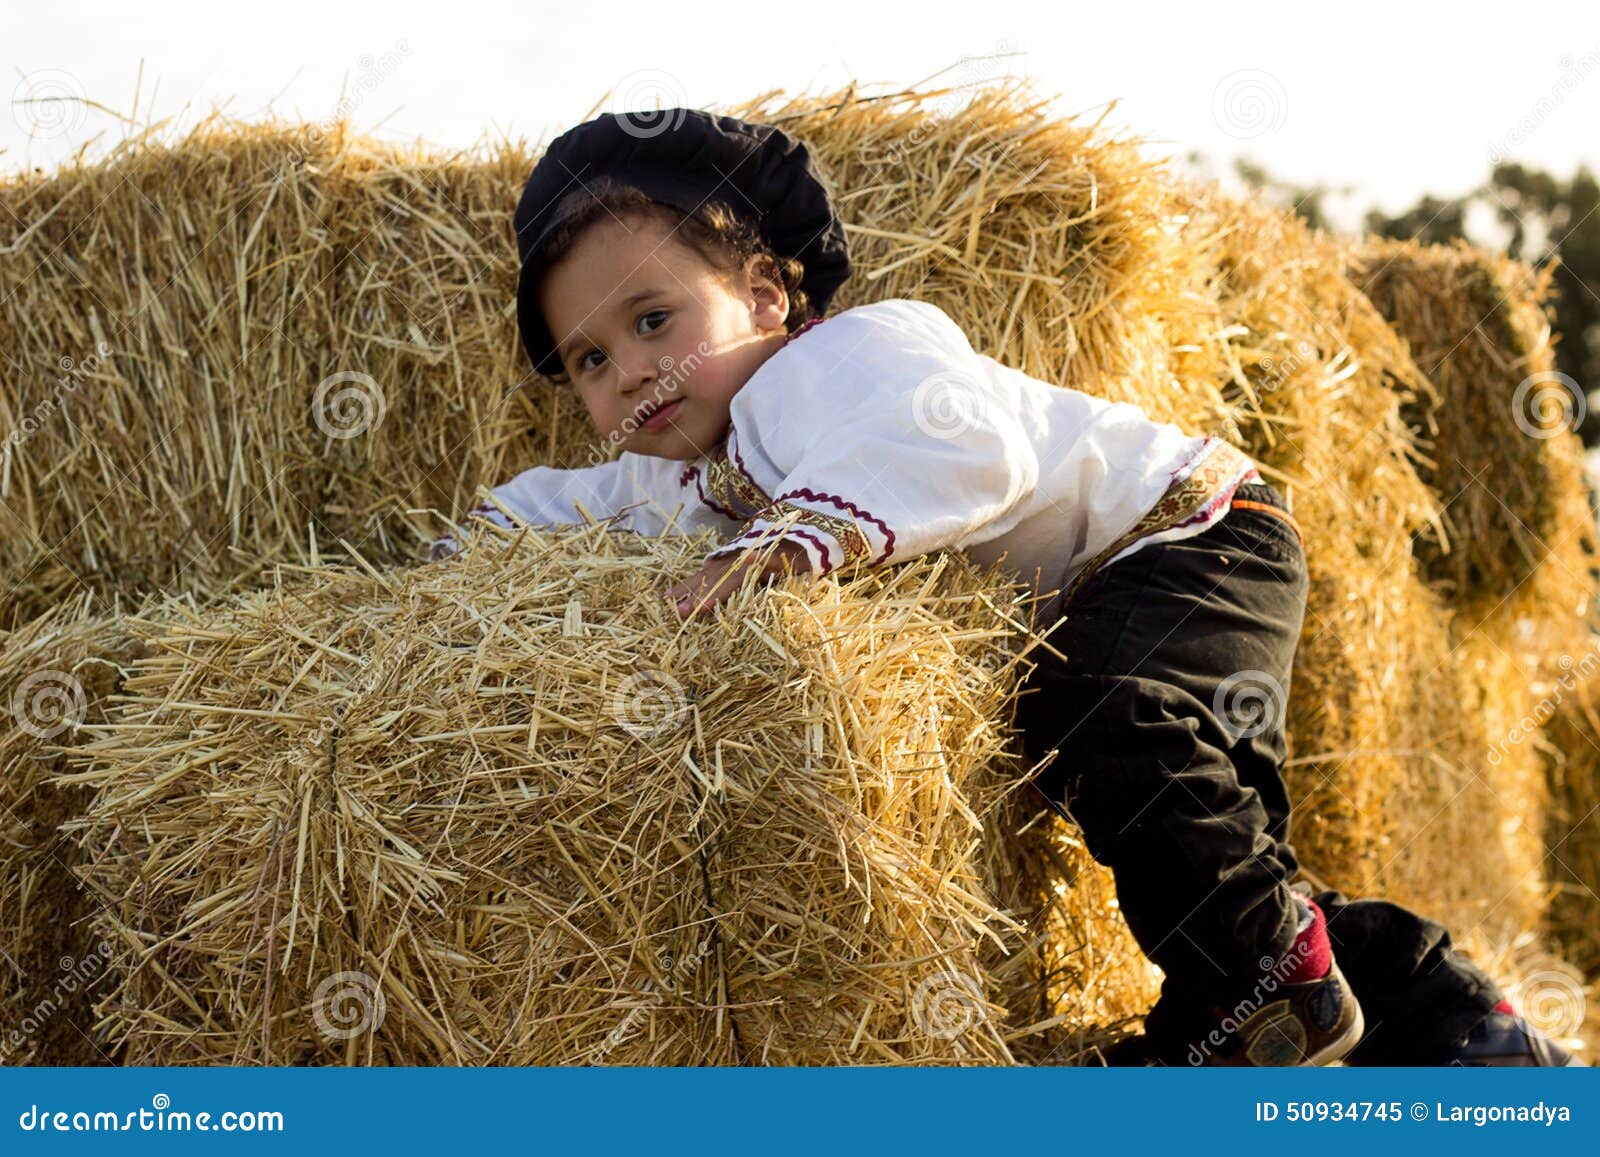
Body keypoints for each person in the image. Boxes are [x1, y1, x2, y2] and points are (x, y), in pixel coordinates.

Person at [428, 107, 1582, 1067]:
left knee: (1105, 711)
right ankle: (1439, 1025)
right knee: (1176, 826)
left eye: (652, 319)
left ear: (769, 296)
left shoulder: (849, 357)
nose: (629, 369)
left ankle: (1255, 985)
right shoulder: (695, 470)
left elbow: (968, 451)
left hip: (1186, 533)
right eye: (588, 358)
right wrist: (446, 573)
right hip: (1116, 592)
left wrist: (791, 545)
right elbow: (575, 502)